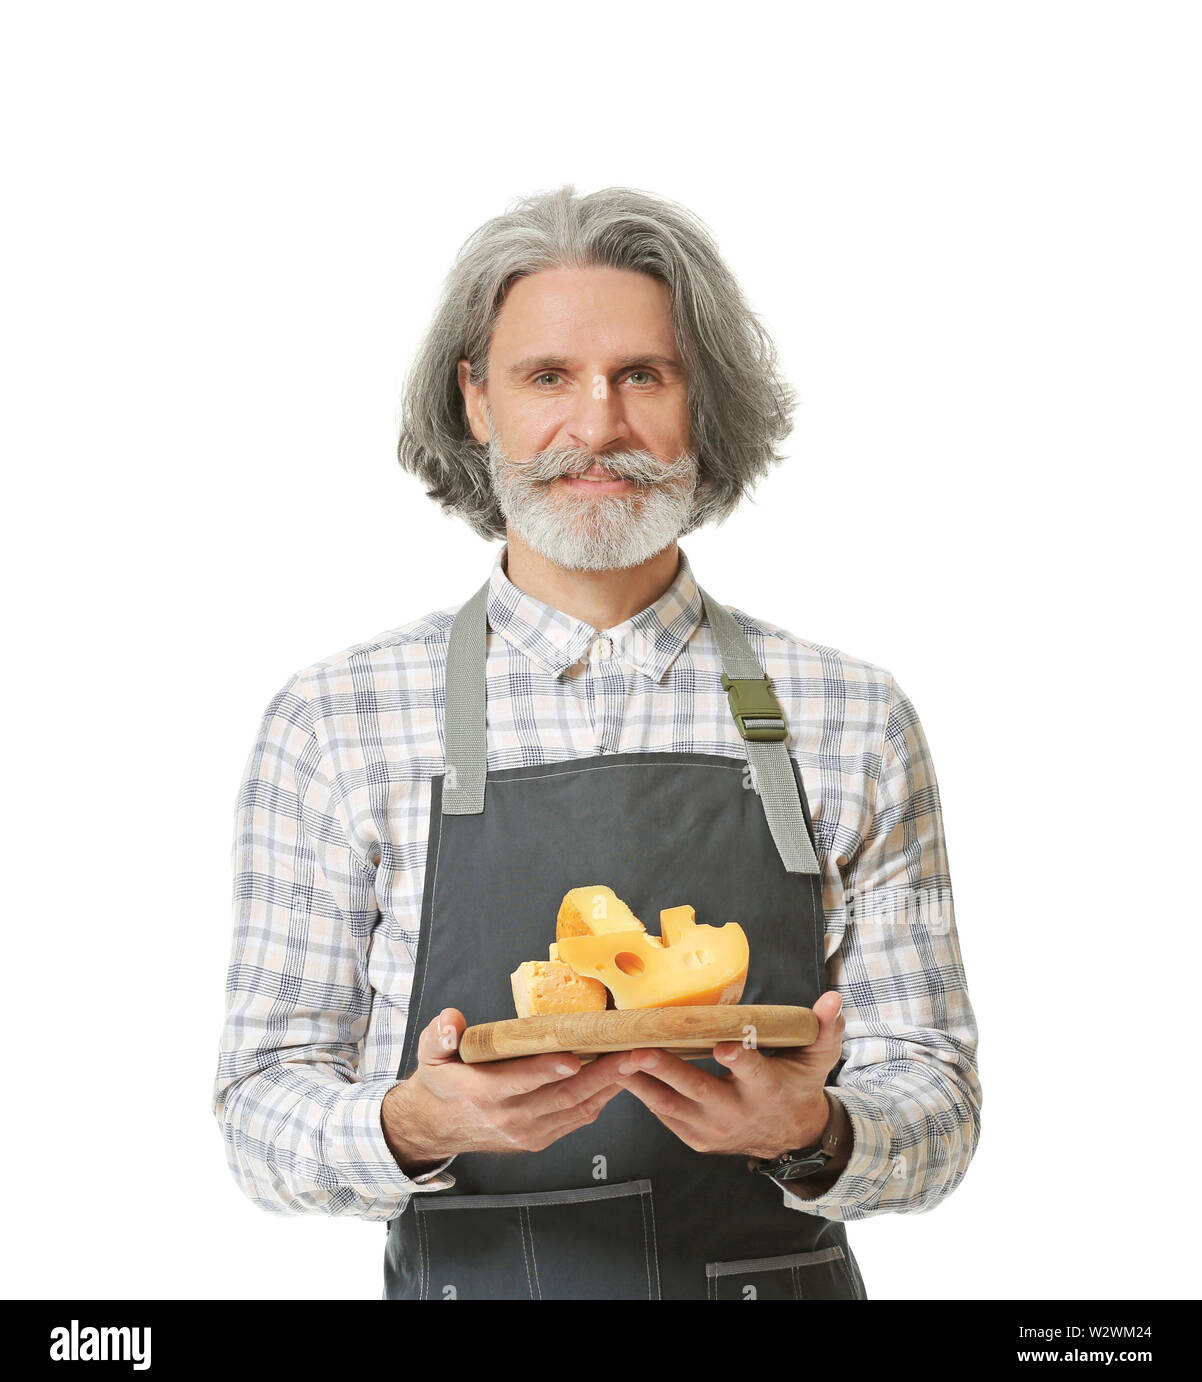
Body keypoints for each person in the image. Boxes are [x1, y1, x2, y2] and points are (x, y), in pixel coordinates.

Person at [212, 185, 982, 1301]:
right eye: (545, 377)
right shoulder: (334, 719)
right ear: (475, 401)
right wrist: (409, 1122)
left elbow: (940, 1104)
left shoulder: (848, 714)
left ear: (697, 403)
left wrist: (816, 1129)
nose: (597, 426)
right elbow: (259, 1108)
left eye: (642, 376)